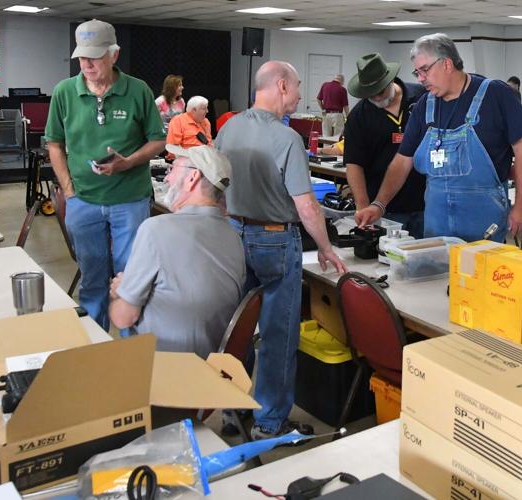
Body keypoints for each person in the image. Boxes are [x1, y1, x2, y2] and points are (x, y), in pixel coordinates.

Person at [216, 60, 347, 440]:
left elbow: (216, 186)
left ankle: (232, 411)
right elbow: (306, 204)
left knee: (236, 329)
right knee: (278, 333)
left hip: (234, 233)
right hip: (274, 239)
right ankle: (269, 423)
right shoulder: (286, 139)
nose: (303, 95)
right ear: (282, 85)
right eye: (299, 86)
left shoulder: (228, 128)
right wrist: (325, 246)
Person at [44, 19, 165, 330]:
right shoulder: (64, 92)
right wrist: (69, 191)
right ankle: (95, 348)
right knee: (92, 280)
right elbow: (54, 143)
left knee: (130, 280)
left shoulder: (137, 90)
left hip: (130, 201)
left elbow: (158, 140)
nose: (86, 65)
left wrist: (129, 162)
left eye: (94, 57)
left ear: (114, 54)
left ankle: (128, 356)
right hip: (83, 201)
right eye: (82, 58)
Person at [354, 33, 522, 243]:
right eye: (417, 72)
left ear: (447, 64)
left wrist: (521, 206)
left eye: (424, 70)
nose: (420, 78)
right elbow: (403, 160)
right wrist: (379, 204)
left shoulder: (496, 95)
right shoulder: (424, 106)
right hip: (436, 222)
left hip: (483, 220)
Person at [109, 145, 243, 359]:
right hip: (214, 367)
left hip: (164, 367)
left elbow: (123, 319)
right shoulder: (234, 236)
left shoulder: (155, 229)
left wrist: (122, 292)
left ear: (192, 178)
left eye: (173, 169)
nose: (168, 178)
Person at [344, 53, 427, 238]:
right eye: (370, 95)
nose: (376, 98)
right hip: (386, 208)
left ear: (389, 81)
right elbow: (354, 164)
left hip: (427, 203)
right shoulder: (359, 116)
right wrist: (363, 206)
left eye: (379, 92)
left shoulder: (422, 98)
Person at [317, 74, 349, 138]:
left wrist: (323, 109)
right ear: (342, 81)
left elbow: (318, 99)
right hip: (337, 115)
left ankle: (326, 147)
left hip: (326, 114)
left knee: (326, 137)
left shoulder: (325, 85)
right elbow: (345, 106)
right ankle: (334, 148)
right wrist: (348, 117)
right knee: (336, 137)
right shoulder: (342, 89)